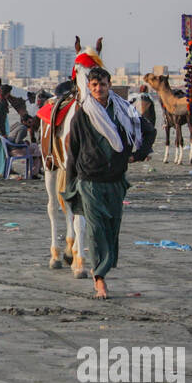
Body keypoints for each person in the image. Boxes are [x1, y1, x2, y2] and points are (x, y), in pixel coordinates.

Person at [64, 67, 155, 300]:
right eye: (93, 85)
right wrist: (71, 182)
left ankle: (103, 267)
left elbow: (149, 130)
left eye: (102, 84)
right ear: (89, 87)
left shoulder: (124, 110)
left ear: (109, 85)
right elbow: (73, 150)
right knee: (95, 230)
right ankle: (99, 279)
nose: (98, 88)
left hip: (115, 180)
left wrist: (137, 154)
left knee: (112, 229)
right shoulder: (83, 114)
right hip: (89, 181)